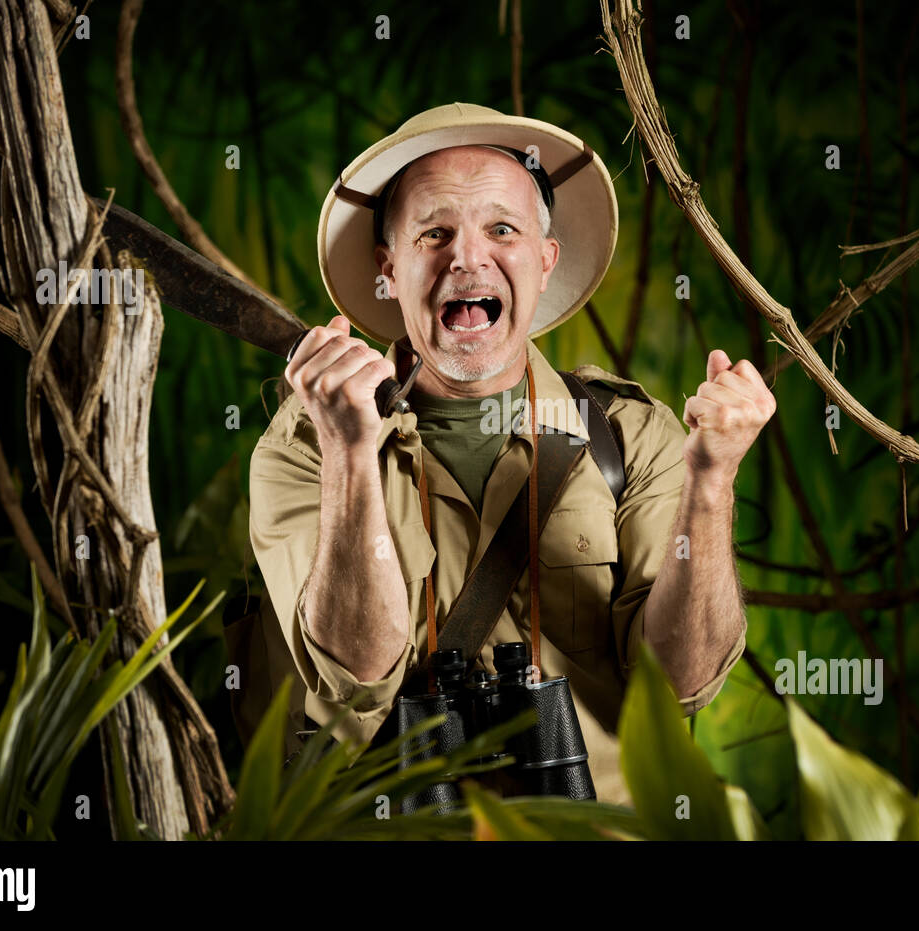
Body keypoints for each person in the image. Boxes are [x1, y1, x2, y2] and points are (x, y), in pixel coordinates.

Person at [246, 102, 776, 804]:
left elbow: (678, 682)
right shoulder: (305, 447)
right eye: (434, 233)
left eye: (502, 228)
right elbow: (356, 679)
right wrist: (350, 454)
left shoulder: (631, 437)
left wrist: (710, 483)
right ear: (389, 268)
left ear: (545, 259)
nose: (468, 257)